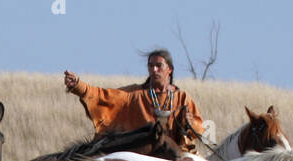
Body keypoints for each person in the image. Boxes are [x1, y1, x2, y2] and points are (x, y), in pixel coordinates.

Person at [63, 49, 206, 152]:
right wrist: (79, 86)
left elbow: (199, 129)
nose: (154, 69)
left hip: (174, 157)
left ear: (170, 69)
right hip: (141, 156)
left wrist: (190, 123)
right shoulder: (134, 94)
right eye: (150, 65)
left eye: (159, 65)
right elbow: (105, 97)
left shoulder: (182, 98)